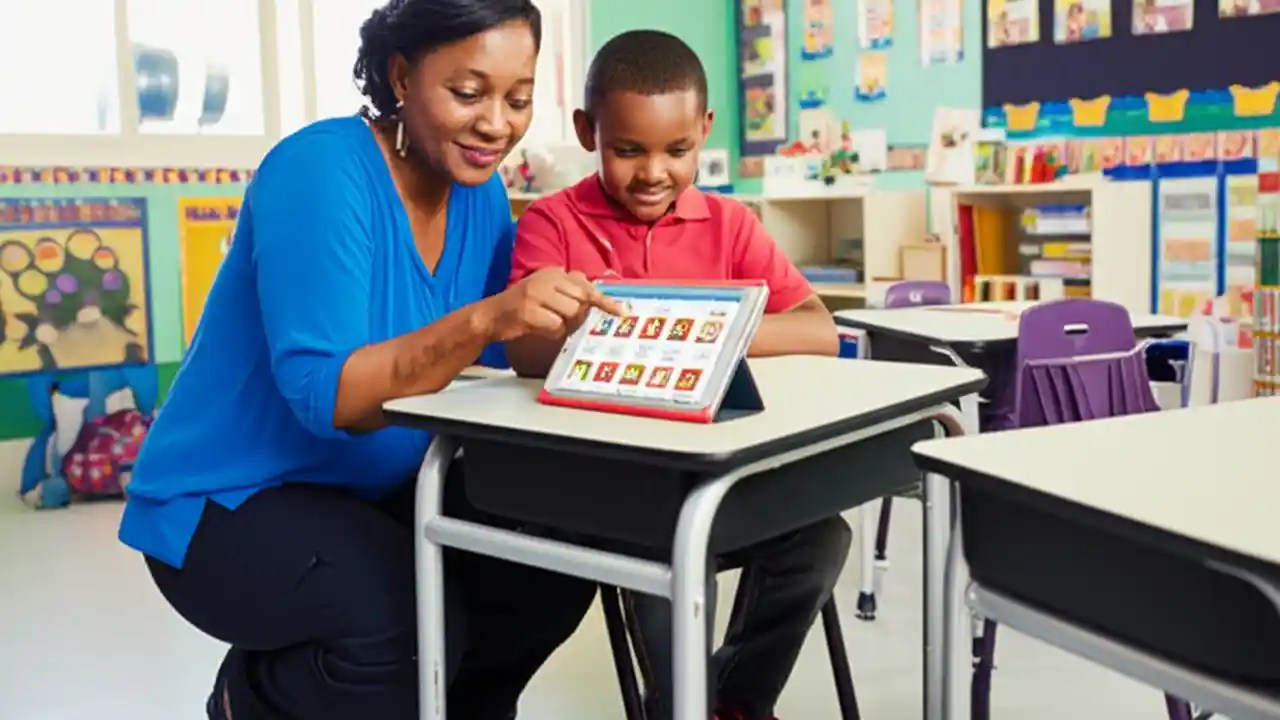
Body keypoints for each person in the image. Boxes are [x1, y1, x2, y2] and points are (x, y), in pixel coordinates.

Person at [117, 1, 622, 718]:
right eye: (468, 92)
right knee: (403, 619)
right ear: (401, 75)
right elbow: (331, 396)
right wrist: (488, 317)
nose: (496, 124)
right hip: (223, 505)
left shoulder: (480, 197)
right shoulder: (319, 170)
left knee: (550, 566)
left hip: (373, 495)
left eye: (519, 97)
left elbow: (510, 352)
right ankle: (252, 699)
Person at [504, 30, 851, 720]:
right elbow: (526, 351)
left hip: (718, 473)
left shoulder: (729, 223)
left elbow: (819, 330)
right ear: (586, 132)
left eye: (677, 150)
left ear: (705, 132)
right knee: (668, 562)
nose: (654, 172)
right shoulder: (553, 222)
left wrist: (705, 336)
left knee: (822, 537)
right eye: (628, 150)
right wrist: (647, 335)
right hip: (615, 485)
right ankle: (681, 706)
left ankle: (733, 705)